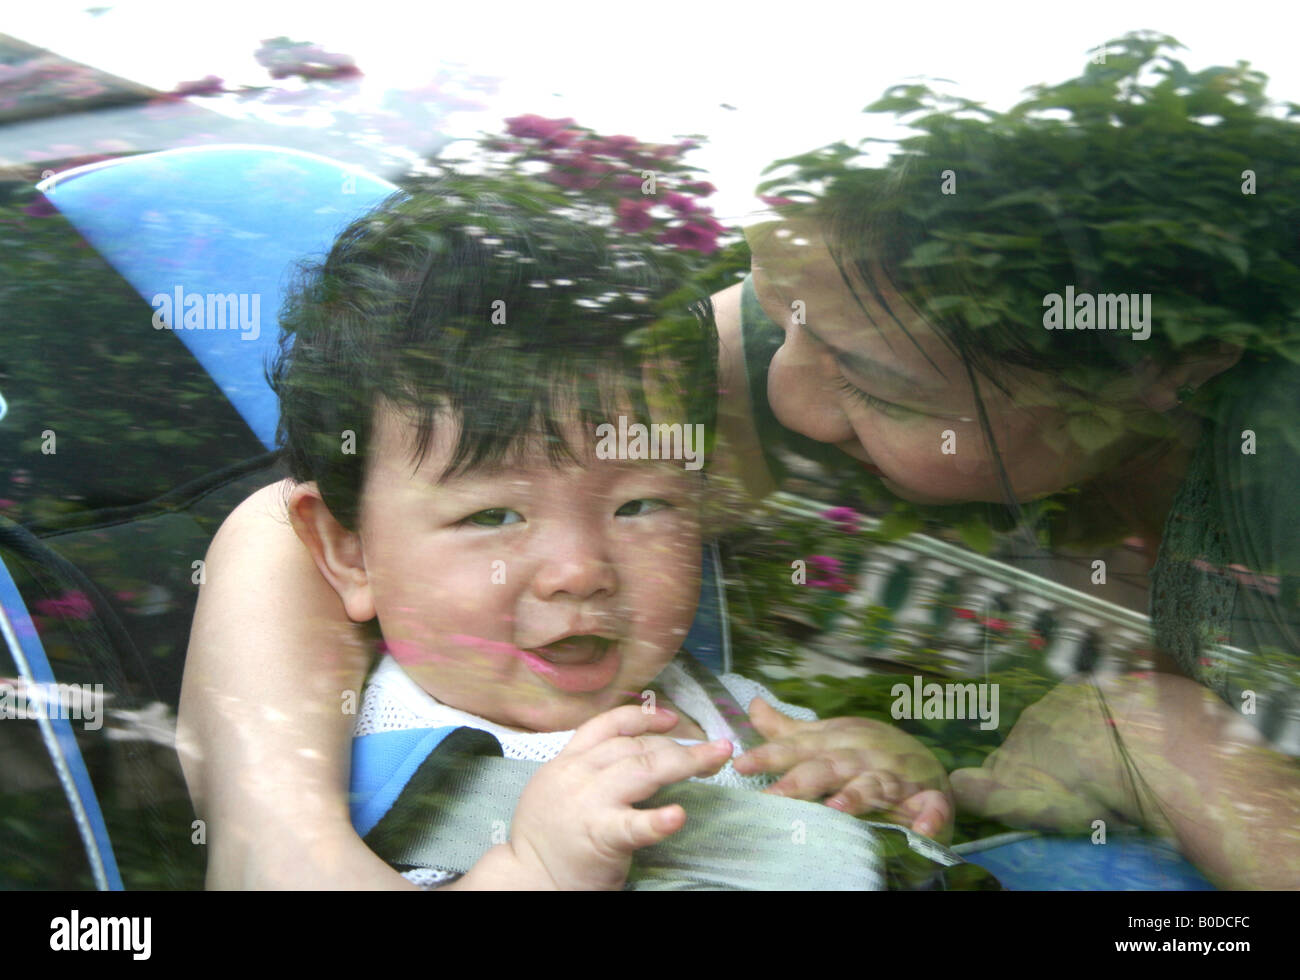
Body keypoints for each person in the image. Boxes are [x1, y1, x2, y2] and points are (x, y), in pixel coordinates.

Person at [180, 36, 1300, 889]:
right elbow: (325, 517)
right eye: (779, 312)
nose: (779, 391)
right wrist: (283, 837)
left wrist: (1172, 748)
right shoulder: (838, 307)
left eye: (875, 381)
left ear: (1169, 364)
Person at [178, 178, 952, 890]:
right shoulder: (369, 761)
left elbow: (850, 824)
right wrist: (534, 872)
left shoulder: (734, 712)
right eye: (491, 516)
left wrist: (886, 777)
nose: (580, 571)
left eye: (641, 505)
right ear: (349, 552)